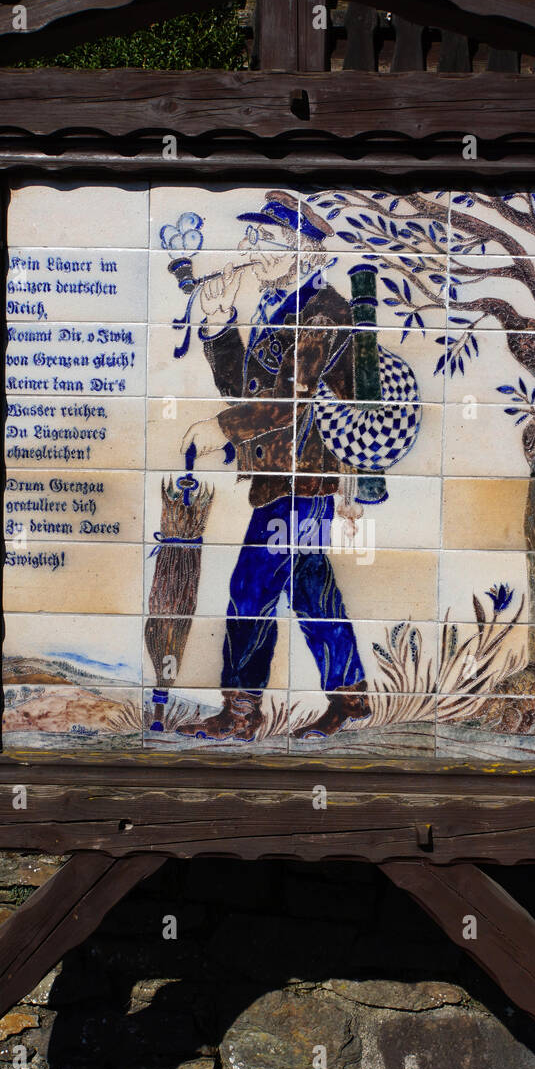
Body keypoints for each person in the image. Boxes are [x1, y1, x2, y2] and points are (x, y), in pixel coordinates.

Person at [173, 191, 372, 742]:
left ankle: (241, 716)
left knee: (252, 587)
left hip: (303, 478)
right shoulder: (277, 307)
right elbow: (245, 389)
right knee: (309, 587)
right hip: (279, 478)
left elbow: (294, 401)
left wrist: (224, 429)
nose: (248, 248)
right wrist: (218, 325)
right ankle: (349, 700)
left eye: (263, 239)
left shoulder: (324, 311)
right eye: (251, 237)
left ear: (303, 250)